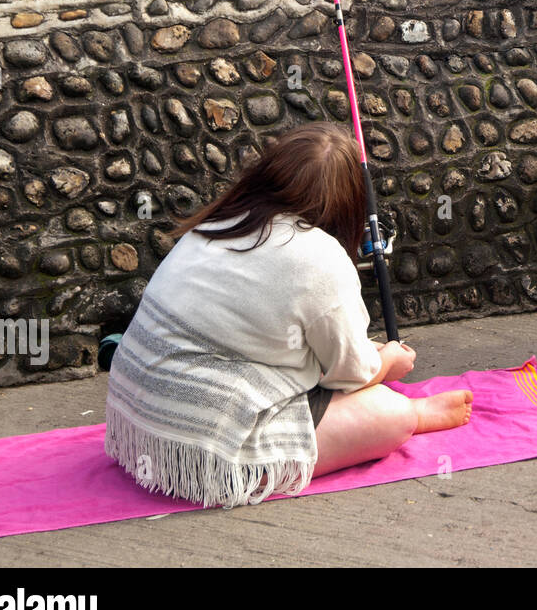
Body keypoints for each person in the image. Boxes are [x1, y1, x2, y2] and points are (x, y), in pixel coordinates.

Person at [104, 122, 472, 507]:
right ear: (348, 203)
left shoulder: (219, 221)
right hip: (201, 448)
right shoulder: (321, 256)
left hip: (135, 421)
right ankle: (415, 414)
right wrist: (389, 361)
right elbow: (351, 374)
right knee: (390, 413)